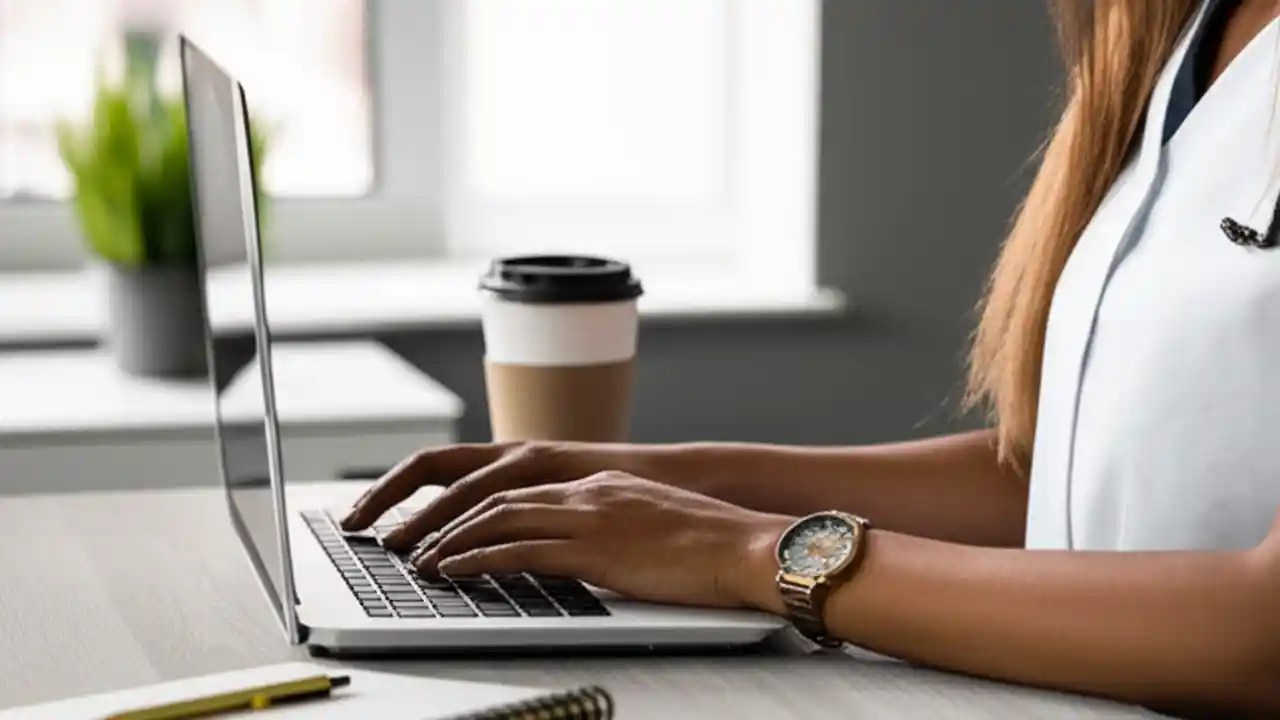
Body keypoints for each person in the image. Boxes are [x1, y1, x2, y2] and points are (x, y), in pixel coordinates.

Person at [343, 0, 1280, 715]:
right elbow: (1065, 486)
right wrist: (668, 486)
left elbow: (1264, 631)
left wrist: (743, 552)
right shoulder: (1179, 36)